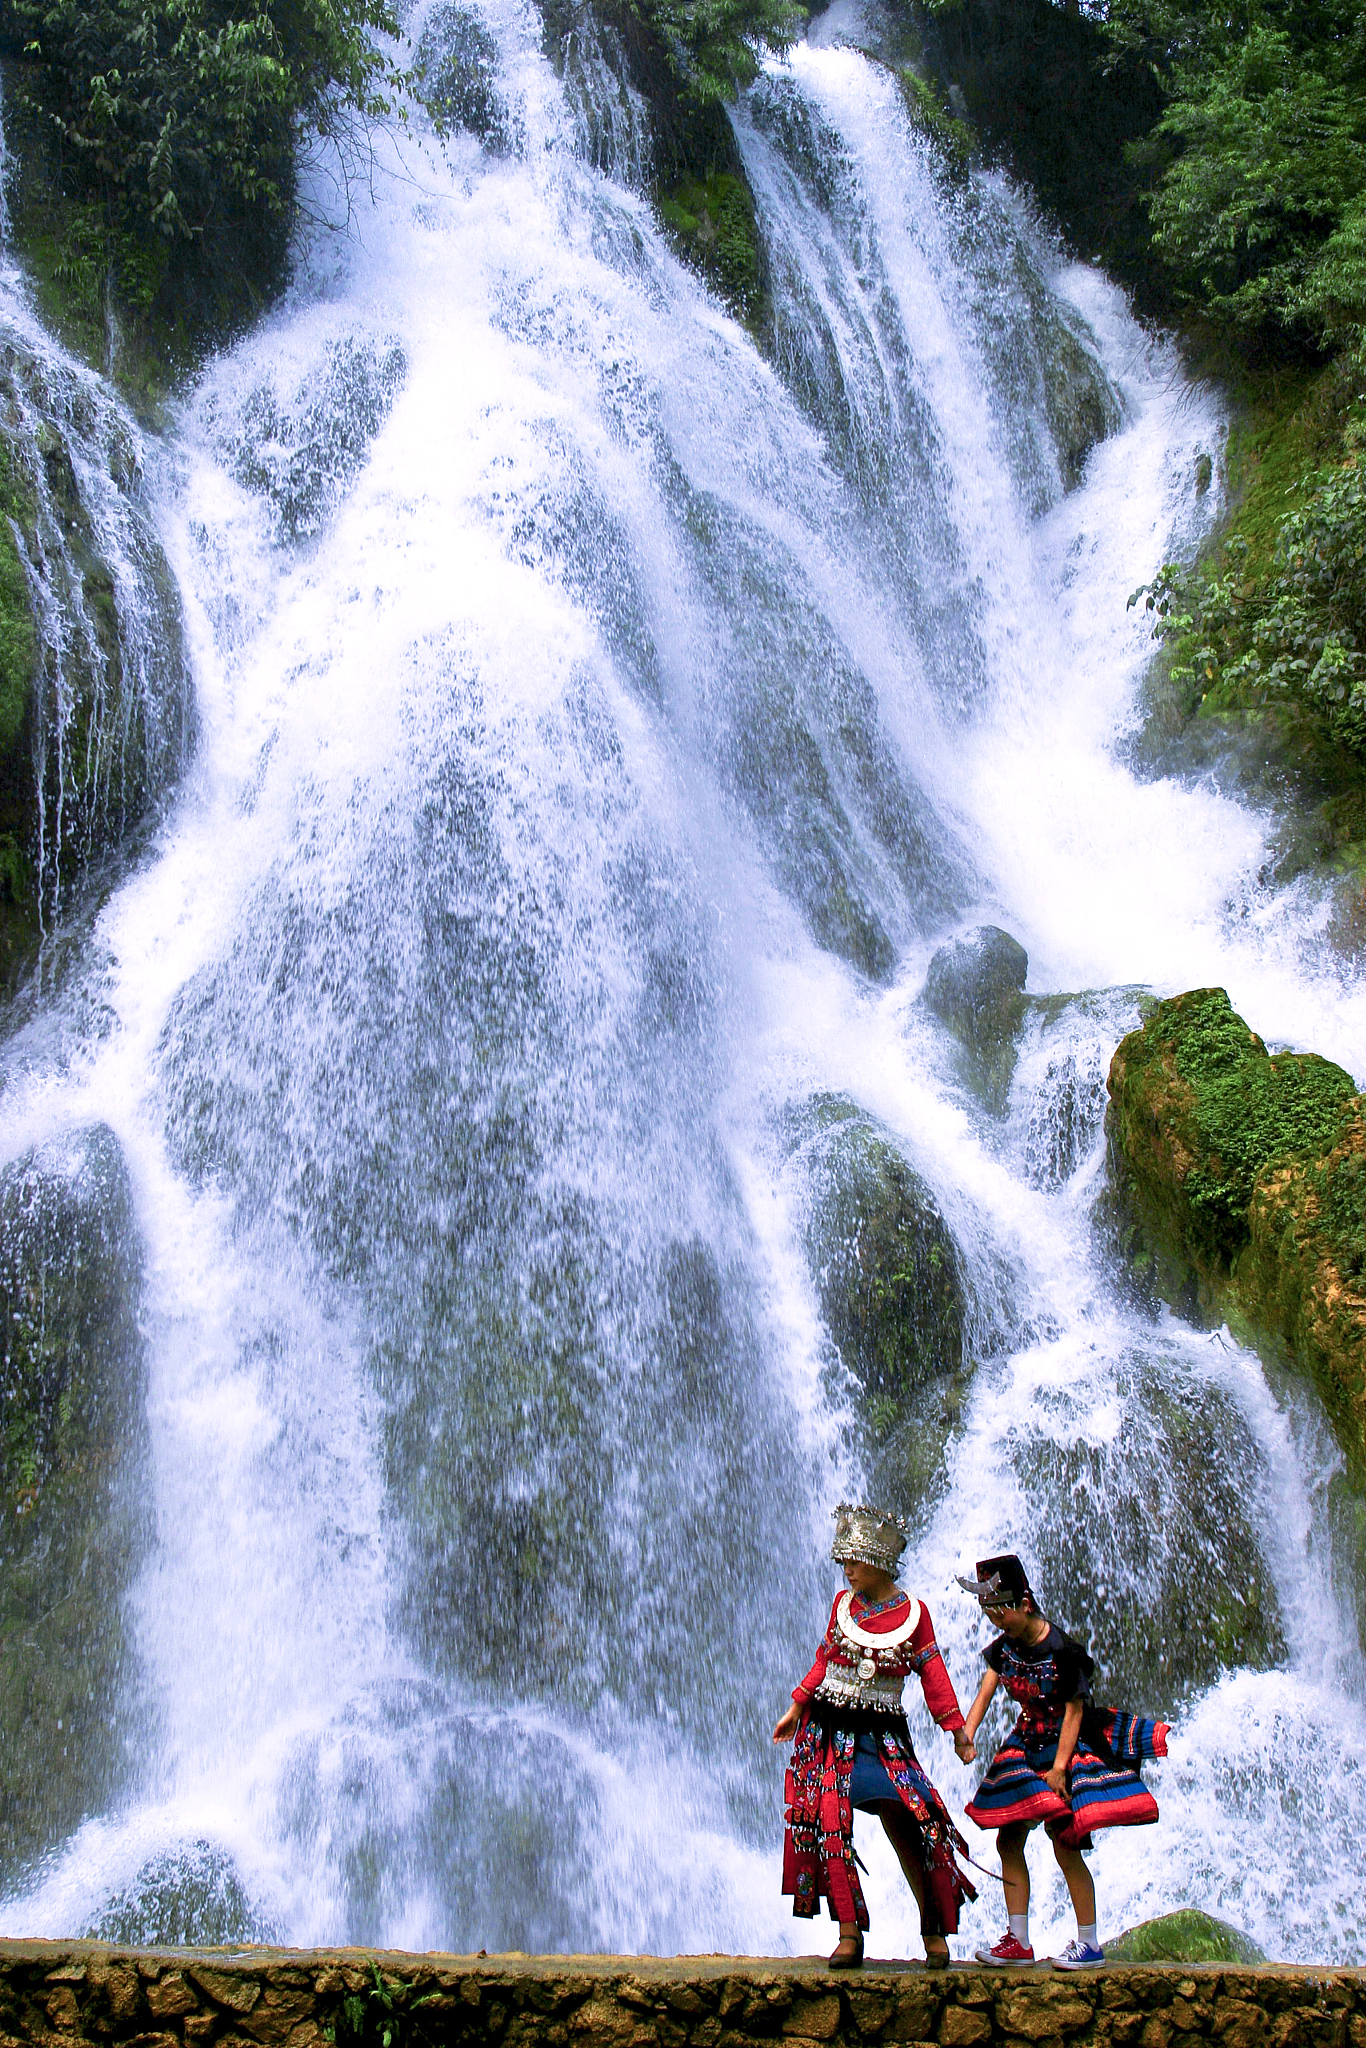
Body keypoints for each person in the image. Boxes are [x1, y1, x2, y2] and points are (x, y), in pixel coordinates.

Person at [773, 1502, 977, 1970]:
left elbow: (933, 1672)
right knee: (832, 1823)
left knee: (910, 1818)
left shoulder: (914, 1614)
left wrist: (957, 1731)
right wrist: (796, 1707)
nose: (846, 1571)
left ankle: (934, 1930)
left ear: (880, 1563)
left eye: (853, 1562)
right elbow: (824, 1660)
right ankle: (848, 1933)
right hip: (830, 1727)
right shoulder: (841, 1607)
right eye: (842, 1562)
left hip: (883, 1734)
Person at [955, 1553, 1170, 1970]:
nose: (996, 1623)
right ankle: (1018, 1941)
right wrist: (967, 1733)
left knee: (1065, 1845)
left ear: (1025, 1605)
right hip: (1026, 1742)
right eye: (990, 1615)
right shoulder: (1006, 1647)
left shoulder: (1062, 1650)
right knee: (1008, 1839)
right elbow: (987, 1688)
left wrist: (1059, 1768)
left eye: (1001, 1614)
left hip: (1065, 1748)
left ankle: (1089, 1943)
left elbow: (1074, 1711)